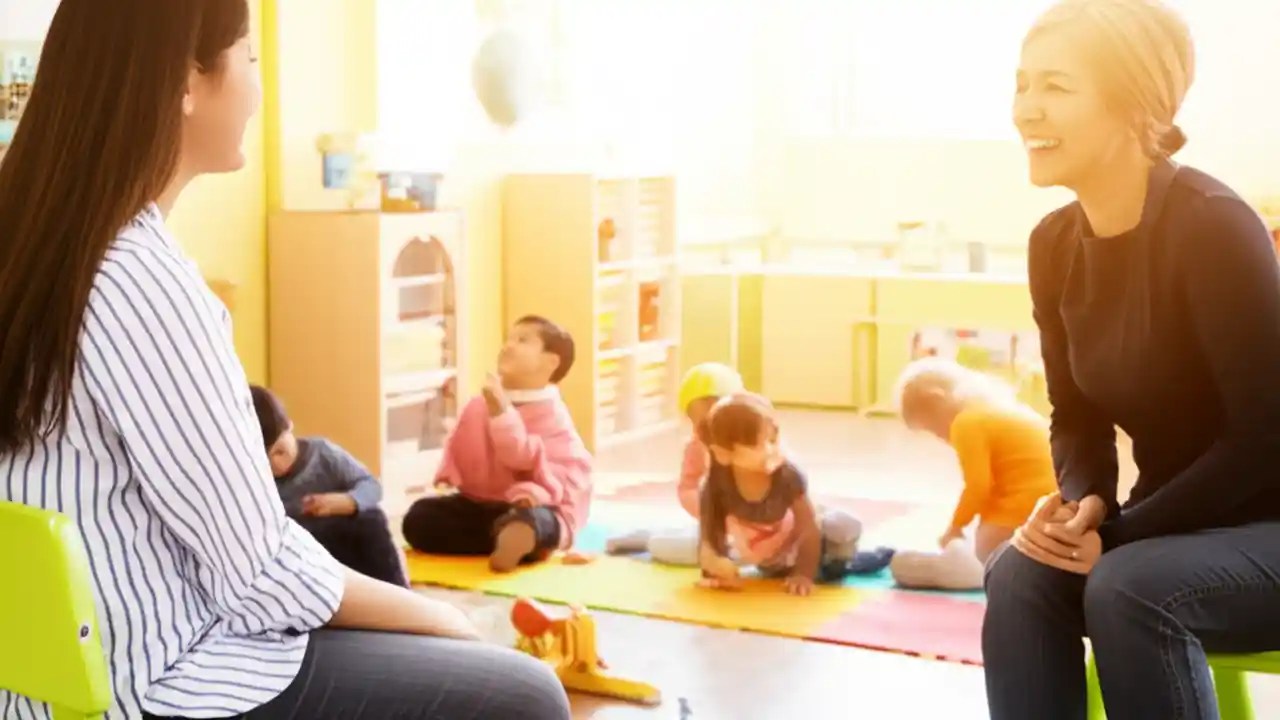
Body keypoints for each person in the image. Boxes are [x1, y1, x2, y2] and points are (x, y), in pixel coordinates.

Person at [0, 2, 569, 718]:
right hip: (160, 682)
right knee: (523, 695)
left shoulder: (34, 253)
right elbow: (259, 573)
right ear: (187, 81)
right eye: (249, 59)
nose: (257, 89)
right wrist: (442, 618)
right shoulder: (140, 281)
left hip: (40, 686)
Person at [983, 1, 1280, 718]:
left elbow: (1263, 437)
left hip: (1266, 526)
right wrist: (1083, 502)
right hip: (1175, 527)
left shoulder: (1214, 225)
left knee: (1130, 585)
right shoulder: (1053, 246)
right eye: (1022, 84)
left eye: (1056, 86)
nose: (1026, 109)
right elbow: (1074, 414)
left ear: (1131, 104)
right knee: (1020, 574)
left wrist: (1120, 538)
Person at [402, 315, 593, 572]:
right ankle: (510, 539)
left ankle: (522, 536)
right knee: (421, 516)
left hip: (541, 502)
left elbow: (522, 459)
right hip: (486, 504)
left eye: (522, 340)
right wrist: (451, 472)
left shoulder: (550, 414)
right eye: (508, 339)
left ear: (551, 362)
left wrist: (502, 414)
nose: (509, 346)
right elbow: (464, 447)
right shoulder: (482, 403)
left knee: (540, 522)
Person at [888, 358, 1056, 590]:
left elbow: (978, 486)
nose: (941, 438)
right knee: (984, 545)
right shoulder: (999, 411)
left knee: (981, 551)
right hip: (1054, 508)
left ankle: (981, 572)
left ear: (938, 401)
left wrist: (955, 528)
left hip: (1022, 509)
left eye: (934, 429)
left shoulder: (966, 423)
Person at [696, 393, 884, 595]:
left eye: (773, 440)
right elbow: (710, 533)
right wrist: (716, 568)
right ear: (723, 454)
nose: (770, 450)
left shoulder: (787, 475)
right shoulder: (715, 485)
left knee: (841, 527)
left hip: (818, 546)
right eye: (756, 445)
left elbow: (809, 527)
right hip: (772, 558)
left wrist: (804, 574)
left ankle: (854, 559)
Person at [250, 385, 408, 587]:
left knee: (372, 519)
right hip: (303, 552)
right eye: (265, 460)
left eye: (280, 452)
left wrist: (345, 502)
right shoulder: (257, 478)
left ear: (289, 426)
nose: (276, 465)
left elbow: (372, 486)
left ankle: (397, 589)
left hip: (340, 536)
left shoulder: (322, 453)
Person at [605, 362, 744, 565]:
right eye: (701, 425)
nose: (710, 433)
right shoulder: (697, 447)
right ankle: (645, 539)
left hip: (749, 535)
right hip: (717, 529)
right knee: (671, 545)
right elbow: (688, 487)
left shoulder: (754, 446)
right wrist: (706, 510)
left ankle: (650, 537)